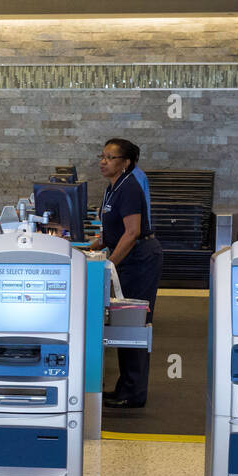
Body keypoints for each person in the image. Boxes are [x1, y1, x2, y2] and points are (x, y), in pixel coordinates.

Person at [89, 138, 164, 409]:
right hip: (129, 257)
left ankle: (133, 392)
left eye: (110, 157)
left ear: (126, 163)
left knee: (133, 324)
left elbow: (132, 234)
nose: (103, 161)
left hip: (140, 258)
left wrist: (106, 266)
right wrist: (97, 242)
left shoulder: (129, 187)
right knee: (123, 323)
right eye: (102, 155)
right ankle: (125, 386)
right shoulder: (112, 188)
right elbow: (116, 229)